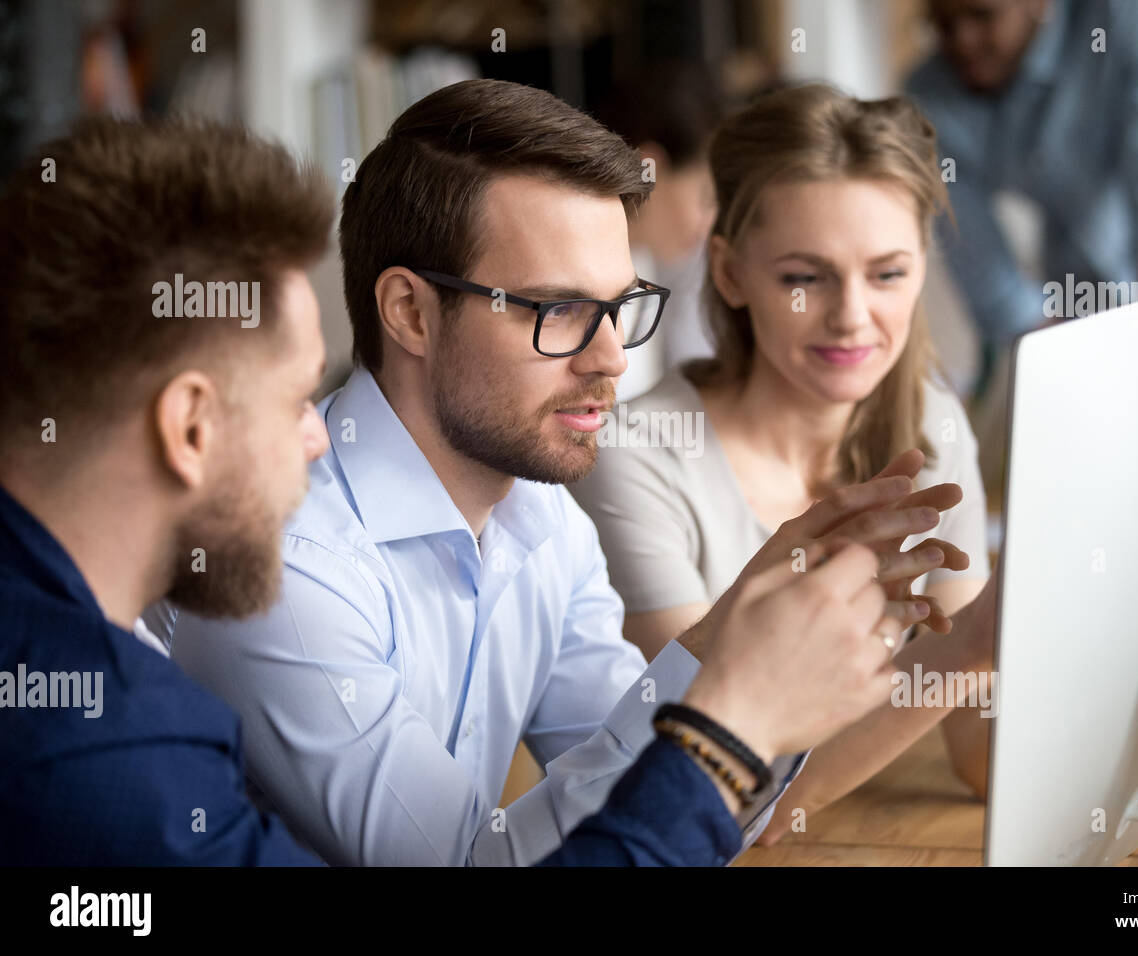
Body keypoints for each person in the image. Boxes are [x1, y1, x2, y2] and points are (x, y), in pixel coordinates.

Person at [0, 112, 960, 867]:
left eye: (619, 308)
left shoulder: (542, 511)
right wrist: (730, 718)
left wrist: (728, 646)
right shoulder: (267, 577)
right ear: (410, 311)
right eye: (559, 311)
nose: (616, 358)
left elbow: (650, 815)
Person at [568, 85, 995, 842]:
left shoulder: (932, 421)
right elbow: (731, 789)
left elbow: (981, 760)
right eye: (805, 277)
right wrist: (968, 647)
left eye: (888, 273)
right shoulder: (638, 462)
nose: (852, 316)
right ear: (730, 274)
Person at [907, 0, 1138, 391]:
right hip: (1083, 287)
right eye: (943, 24)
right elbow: (984, 263)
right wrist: (1061, 364)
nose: (961, 41)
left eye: (982, 16)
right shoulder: (930, 98)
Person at [592, 64, 723, 395]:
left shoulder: (646, 271)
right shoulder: (576, 281)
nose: (709, 222)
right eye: (705, 197)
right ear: (649, 167)